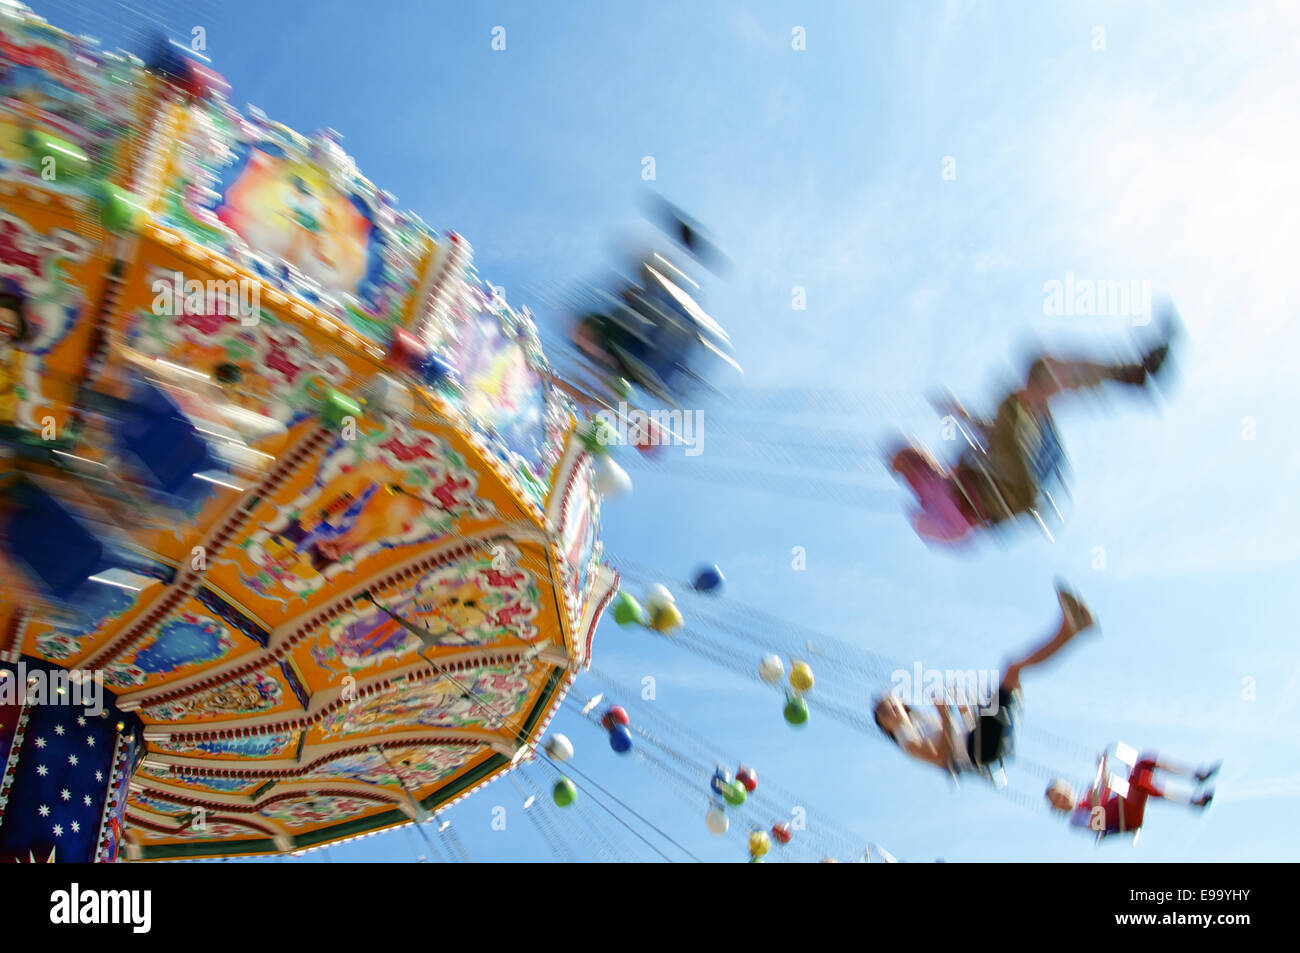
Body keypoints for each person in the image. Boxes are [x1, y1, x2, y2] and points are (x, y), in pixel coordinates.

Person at [889, 320, 1178, 545]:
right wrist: (949, 492)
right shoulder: (929, 503)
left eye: (919, 454)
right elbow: (955, 531)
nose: (924, 458)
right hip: (1002, 495)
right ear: (910, 471)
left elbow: (999, 435)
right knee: (1012, 403)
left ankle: (1132, 373)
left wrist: (962, 415)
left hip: (1017, 469)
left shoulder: (959, 465)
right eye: (915, 459)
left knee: (1038, 370)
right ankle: (1127, 376)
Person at [873, 582, 1097, 775]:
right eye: (884, 711)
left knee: (1013, 673)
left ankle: (1074, 629)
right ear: (884, 727)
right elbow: (942, 758)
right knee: (1013, 669)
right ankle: (1071, 630)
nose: (891, 709)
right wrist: (945, 715)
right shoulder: (906, 740)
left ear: (903, 705)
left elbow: (958, 735)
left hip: (982, 743)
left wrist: (964, 711)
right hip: (981, 749)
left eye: (892, 704)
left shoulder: (920, 722)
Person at [1046, 755, 1218, 838]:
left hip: (1124, 804)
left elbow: (1107, 788)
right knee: (1139, 783)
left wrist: (1103, 769)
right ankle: (1193, 801)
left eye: (1062, 793)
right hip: (1122, 818)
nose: (1063, 798)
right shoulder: (1076, 818)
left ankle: (1196, 776)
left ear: (1068, 789)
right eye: (1058, 800)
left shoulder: (1088, 794)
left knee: (1144, 765)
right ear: (1057, 808)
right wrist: (1097, 801)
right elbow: (1097, 827)